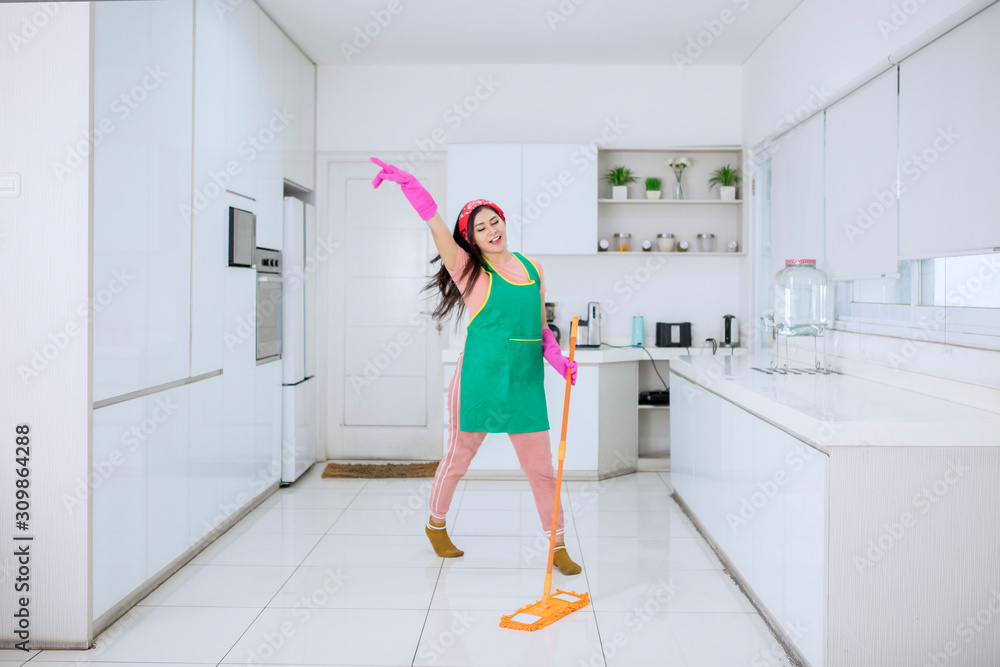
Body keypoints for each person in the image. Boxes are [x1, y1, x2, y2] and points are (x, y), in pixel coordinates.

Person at [370, 157, 582, 575]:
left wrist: (558, 360)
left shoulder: (532, 267)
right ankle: (436, 524)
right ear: (472, 239)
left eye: (494, 221)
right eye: (480, 228)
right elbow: (434, 223)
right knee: (459, 458)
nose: (491, 230)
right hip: (479, 380)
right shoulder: (469, 272)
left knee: (541, 469)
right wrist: (411, 185)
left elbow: (540, 328)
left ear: (503, 222)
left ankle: (557, 544)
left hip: (523, 382)